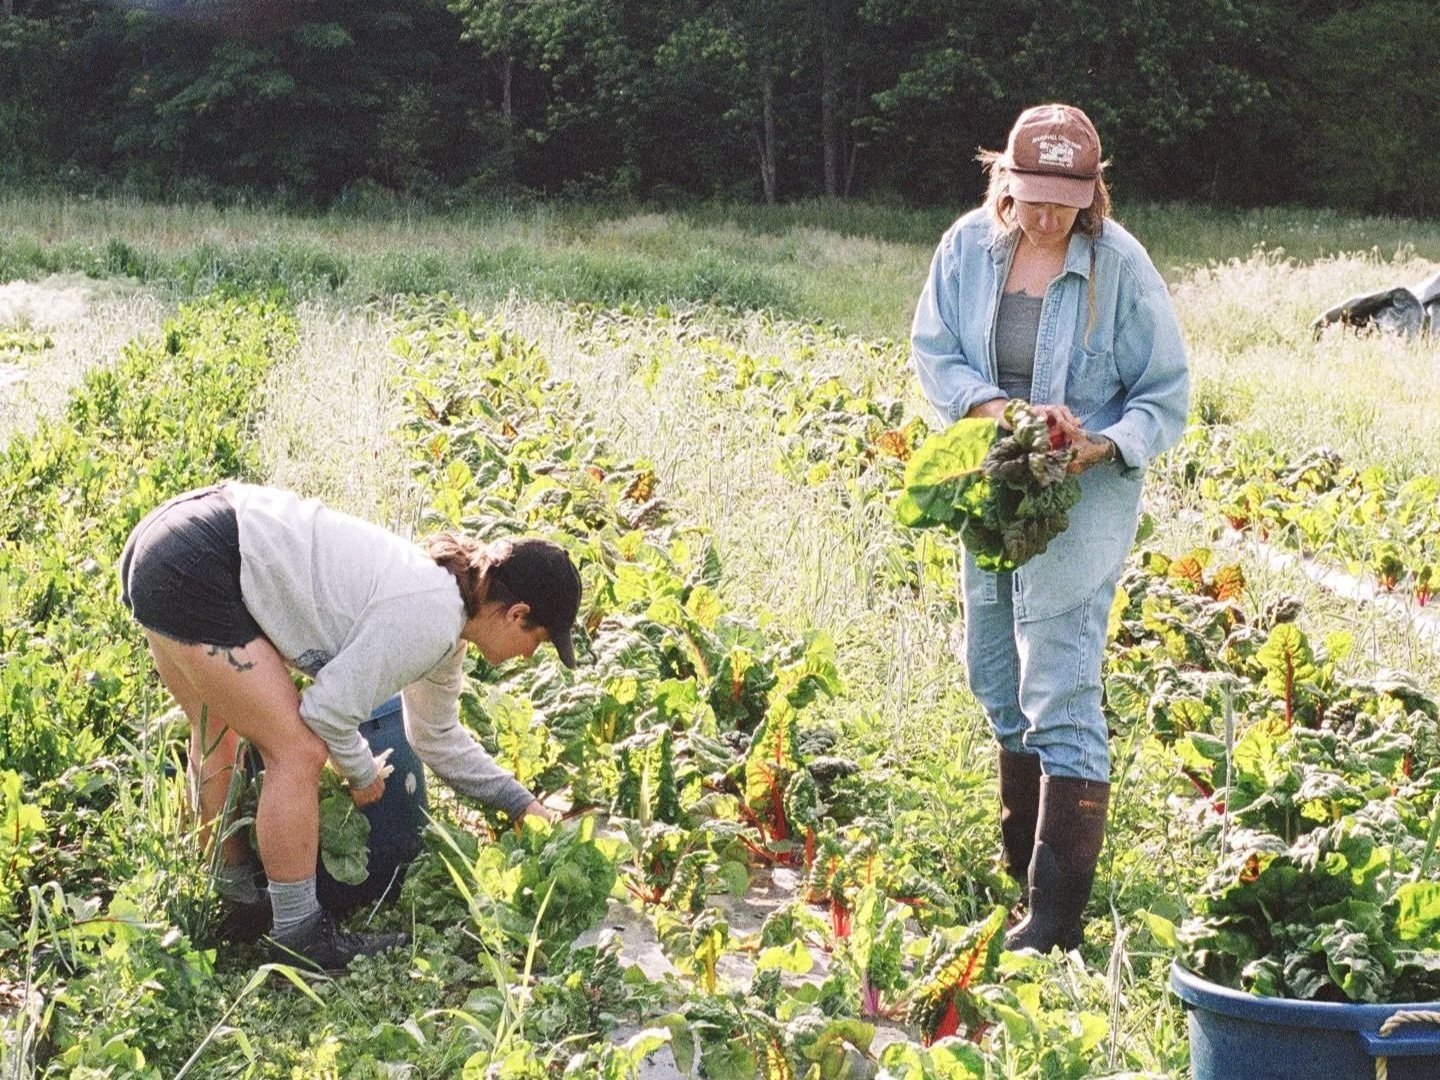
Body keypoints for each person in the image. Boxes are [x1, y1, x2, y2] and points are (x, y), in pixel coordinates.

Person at [910, 104, 1189, 953]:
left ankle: (1055, 920)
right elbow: (935, 352)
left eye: (1064, 205)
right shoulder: (967, 249)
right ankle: (1018, 866)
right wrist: (1000, 410)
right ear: (1005, 181)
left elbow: (1164, 394)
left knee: (1059, 681)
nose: (1046, 219)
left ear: (1091, 194)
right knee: (995, 672)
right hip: (994, 480)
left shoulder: (1120, 266)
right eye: (1032, 200)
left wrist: (1097, 443)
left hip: (1082, 491)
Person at [118, 481, 582, 970]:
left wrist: (522, 804)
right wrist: (362, 773)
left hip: (169, 542)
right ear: (517, 615)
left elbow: (436, 737)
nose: (528, 656)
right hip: (199, 559)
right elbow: (326, 712)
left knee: (219, 736)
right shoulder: (432, 617)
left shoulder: (447, 616)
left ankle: (233, 901)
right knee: (298, 752)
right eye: (538, 642)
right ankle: (300, 938)